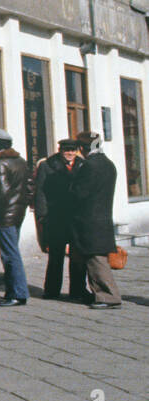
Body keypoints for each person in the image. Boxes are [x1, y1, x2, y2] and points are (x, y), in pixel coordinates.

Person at [70, 131, 122, 308]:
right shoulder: (108, 164)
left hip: (89, 220)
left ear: (83, 148)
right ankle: (99, 294)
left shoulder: (90, 166)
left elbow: (80, 193)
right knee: (96, 258)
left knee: (96, 260)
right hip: (101, 217)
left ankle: (108, 296)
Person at [0, 128, 33, 307]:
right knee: (12, 251)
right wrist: (21, 206)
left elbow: (1, 193)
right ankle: (14, 290)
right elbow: (29, 188)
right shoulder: (20, 161)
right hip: (17, 213)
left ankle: (17, 293)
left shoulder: (1, 163)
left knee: (10, 254)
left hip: (5, 215)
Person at [34, 138, 86, 300]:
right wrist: (42, 214)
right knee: (56, 255)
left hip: (76, 217)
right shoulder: (47, 165)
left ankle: (77, 290)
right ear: (60, 151)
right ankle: (51, 290)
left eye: (73, 150)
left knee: (77, 255)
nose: (70, 154)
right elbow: (40, 192)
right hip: (55, 217)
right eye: (66, 151)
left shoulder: (82, 165)